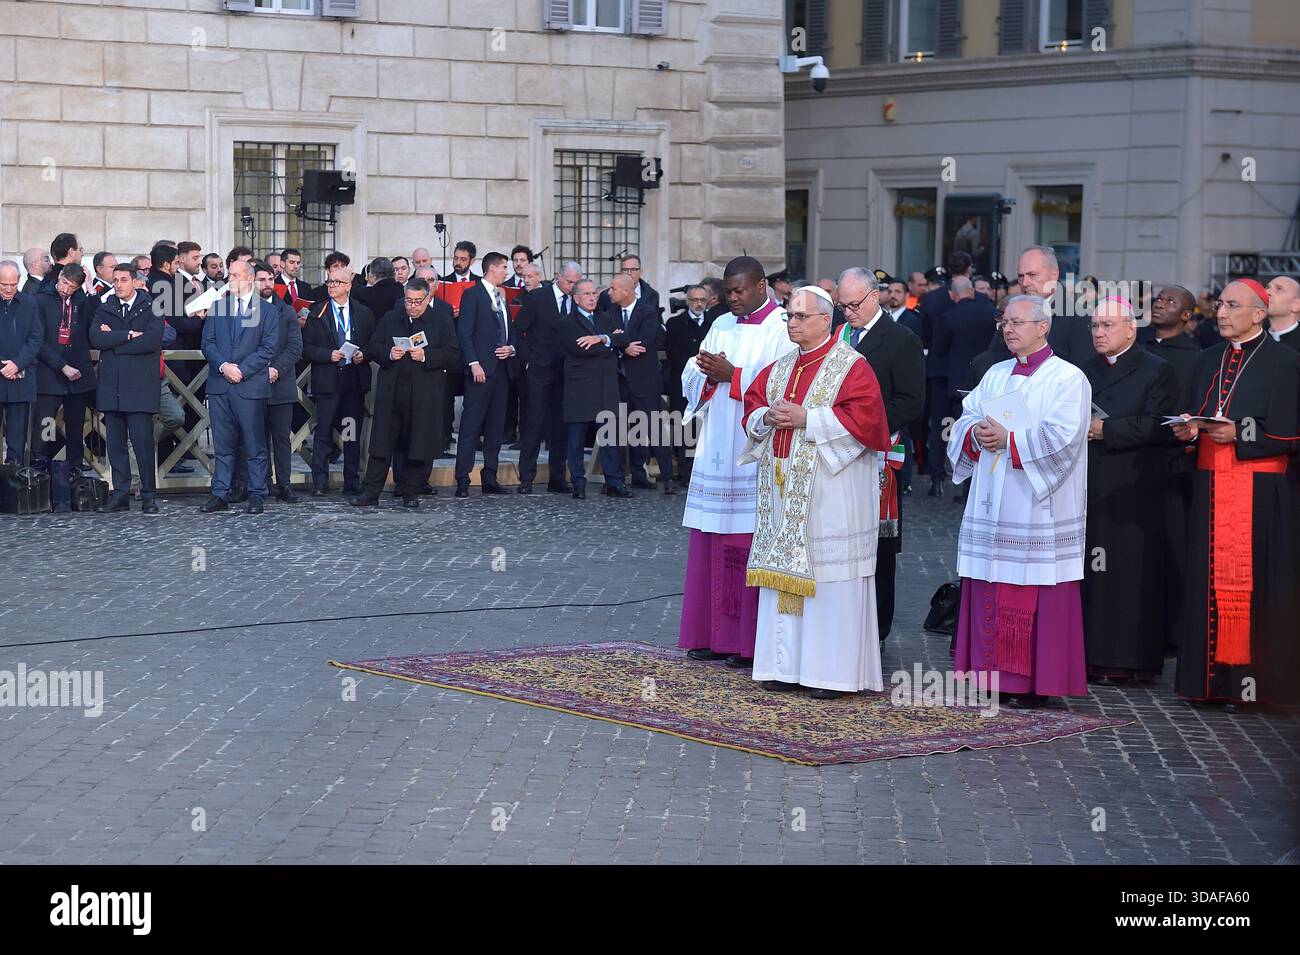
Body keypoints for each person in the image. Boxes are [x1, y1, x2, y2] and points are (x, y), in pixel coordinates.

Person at [741, 285, 891, 698]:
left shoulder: (851, 367)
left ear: (826, 320)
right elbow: (752, 405)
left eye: (800, 316)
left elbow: (868, 423)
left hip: (832, 493)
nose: (791, 323)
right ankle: (782, 666)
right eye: (789, 316)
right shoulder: (781, 366)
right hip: (783, 491)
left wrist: (809, 417)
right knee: (783, 577)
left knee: (831, 580)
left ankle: (832, 675)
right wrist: (764, 415)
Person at [947, 294, 1091, 708]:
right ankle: (990, 676)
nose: (1008, 329)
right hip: (992, 497)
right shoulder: (995, 373)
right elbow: (967, 416)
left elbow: (1064, 438)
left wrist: (1009, 440)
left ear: (1042, 327)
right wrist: (974, 435)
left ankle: (1031, 682)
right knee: (990, 582)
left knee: (1029, 587)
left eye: (1017, 322)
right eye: (1004, 322)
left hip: (1035, 506)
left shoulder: (1067, 378)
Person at [1171, 279, 1300, 706]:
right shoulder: (1207, 359)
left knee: (1259, 587)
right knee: (1205, 584)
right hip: (1209, 487)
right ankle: (1208, 684)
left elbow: (1289, 432)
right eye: (1221, 304)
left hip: (1259, 490)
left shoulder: (1286, 363)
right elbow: (1198, 412)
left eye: (1232, 306)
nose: (1221, 312)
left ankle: (1253, 688)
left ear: (1259, 314)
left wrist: (1239, 434)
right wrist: (1190, 430)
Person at [678, 256, 794, 667]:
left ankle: (746, 641)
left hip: (754, 451)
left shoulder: (783, 327)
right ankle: (710, 634)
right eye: (727, 291)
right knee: (711, 537)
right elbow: (692, 373)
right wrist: (706, 375)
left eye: (740, 290)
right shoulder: (721, 324)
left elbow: (783, 386)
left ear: (761, 285)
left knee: (744, 541)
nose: (732, 298)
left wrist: (734, 374)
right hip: (716, 449)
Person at [1080, 297, 1179, 683]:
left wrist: (1106, 429)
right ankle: (1087, 654)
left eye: (1107, 326)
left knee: (1129, 576)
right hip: (1089, 483)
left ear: (1129, 329)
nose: (1099, 333)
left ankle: (1129, 660)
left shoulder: (1157, 369)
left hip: (1133, 486)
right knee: (1091, 573)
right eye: (1094, 326)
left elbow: (1161, 424)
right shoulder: (1081, 371)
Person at [838, 267, 925, 642]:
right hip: (836, 447)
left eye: (854, 305)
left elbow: (911, 401)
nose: (848, 313)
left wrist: (864, 423)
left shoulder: (901, 339)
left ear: (875, 297)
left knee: (878, 542)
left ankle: (876, 625)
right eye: (842, 306)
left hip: (879, 453)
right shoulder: (839, 335)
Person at [352, 277, 461, 508]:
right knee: (381, 445)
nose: (412, 306)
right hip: (392, 392)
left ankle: (410, 491)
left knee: (416, 443)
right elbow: (373, 347)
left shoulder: (440, 321)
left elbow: (453, 355)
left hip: (423, 393)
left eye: (417, 302)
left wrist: (427, 356)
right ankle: (371, 492)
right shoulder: (392, 318)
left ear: (427, 298)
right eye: (408, 301)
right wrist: (389, 353)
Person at [199, 260, 280, 514]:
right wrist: (224, 366)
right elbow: (207, 343)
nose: (230, 279)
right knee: (223, 444)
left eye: (235, 275)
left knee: (255, 444)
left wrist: (241, 370)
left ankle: (257, 493)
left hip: (250, 386)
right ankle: (220, 492)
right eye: (230, 275)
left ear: (249, 278)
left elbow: (268, 348)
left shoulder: (266, 311)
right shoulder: (218, 307)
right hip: (220, 384)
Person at [89, 263, 164, 513]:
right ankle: (120, 494)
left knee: (142, 444)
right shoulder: (106, 306)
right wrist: (128, 335)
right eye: (115, 281)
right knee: (116, 445)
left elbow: (152, 341)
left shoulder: (151, 306)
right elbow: (96, 338)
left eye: (123, 280)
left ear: (135, 281)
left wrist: (115, 342)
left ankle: (149, 495)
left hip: (140, 386)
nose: (118, 285)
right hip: (112, 386)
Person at [301, 261, 374, 496]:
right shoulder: (317, 312)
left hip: (353, 380)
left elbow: (373, 342)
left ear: (349, 286)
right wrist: (327, 354)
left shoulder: (363, 311)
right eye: (329, 281)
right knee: (324, 433)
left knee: (351, 433)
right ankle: (320, 482)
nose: (332, 286)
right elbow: (306, 348)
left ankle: (352, 479)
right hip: (327, 380)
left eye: (337, 282)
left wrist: (364, 354)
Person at [454, 251, 518, 497]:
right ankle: (462, 478)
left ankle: (490, 476)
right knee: (471, 426)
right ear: (492, 268)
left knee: (495, 426)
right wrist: (473, 362)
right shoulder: (473, 294)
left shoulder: (501, 297)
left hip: (501, 371)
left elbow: (509, 331)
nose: (506, 272)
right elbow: (464, 332)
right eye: (504, 267)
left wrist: (511, 348)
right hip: (480, 371)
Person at [603, 273, 674, 493]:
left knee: (653, 429)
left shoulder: (647, 312)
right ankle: (620, 478)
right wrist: (624, 345)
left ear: (626, 291)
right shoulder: (609, 312)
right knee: (617, 431)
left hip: (644, 381)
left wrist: (619, 340)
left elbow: (645, 342)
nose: (609, 292)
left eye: (613, 288)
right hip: (619, 381)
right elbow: (609, 338)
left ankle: (668, 478)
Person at [514, 261, 580, 494]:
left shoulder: (577, 300)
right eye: (569, 281)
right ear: (558, 277)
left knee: (560, 427)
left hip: (567, 373)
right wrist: (528, 359)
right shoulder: (538, 297)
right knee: (534, 424)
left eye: (576, 282)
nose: (572, 286)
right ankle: (526, 478)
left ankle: (557, 478)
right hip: (539, 370)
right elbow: (517, 329)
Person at [558, 278, 627, 499]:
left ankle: (614, 482)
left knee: (609, 438)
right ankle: (578, 482)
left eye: (594, 294)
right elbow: (579, 349)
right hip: (580, 388)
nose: (591, 298)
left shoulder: (606, 317)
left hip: (606, 386)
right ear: (576, 298)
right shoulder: (567, 323)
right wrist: (609, 343)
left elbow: (624, 337)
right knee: (576, 439)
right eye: (586, 294)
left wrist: (600, 338)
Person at [33, 264, 96, 474]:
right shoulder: (41, 299)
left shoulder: (82, 300)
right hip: (50, 375)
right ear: (59, 276)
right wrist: (62, 366)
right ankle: (40, 470)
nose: (66, 289)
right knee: (46, 428)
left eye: (72, 287)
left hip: (77, 375)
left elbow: (95, 323)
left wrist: (90, 289)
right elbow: (37, 340)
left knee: (76, 429)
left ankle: (74, 473)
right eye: (64, 283)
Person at [664, 284, 715, 480]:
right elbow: (673, 353)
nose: (698, 304)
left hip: (709, 383)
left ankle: (701, 471)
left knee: (703, 428)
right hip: (682, 383)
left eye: (702, 300)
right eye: (694, 300)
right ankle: (684, 472)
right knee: (682, 426)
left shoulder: (714, 323)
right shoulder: (675, 323)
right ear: (687, 302)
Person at [0, 262, 43, 464]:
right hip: (4, 373)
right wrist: (4, 367)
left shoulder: (29, 302)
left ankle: (13, 481)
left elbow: (36, 337)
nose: (9, 289)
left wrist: (17, 364)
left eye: (13, 284)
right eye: (3, 284)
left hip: (20, 377)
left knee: (17, 438)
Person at [1266, 274, 1300, 351]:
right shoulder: (1254, 337)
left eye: (1279, 289)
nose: (1267, 292)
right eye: (1267, 287)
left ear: (1296, 305)